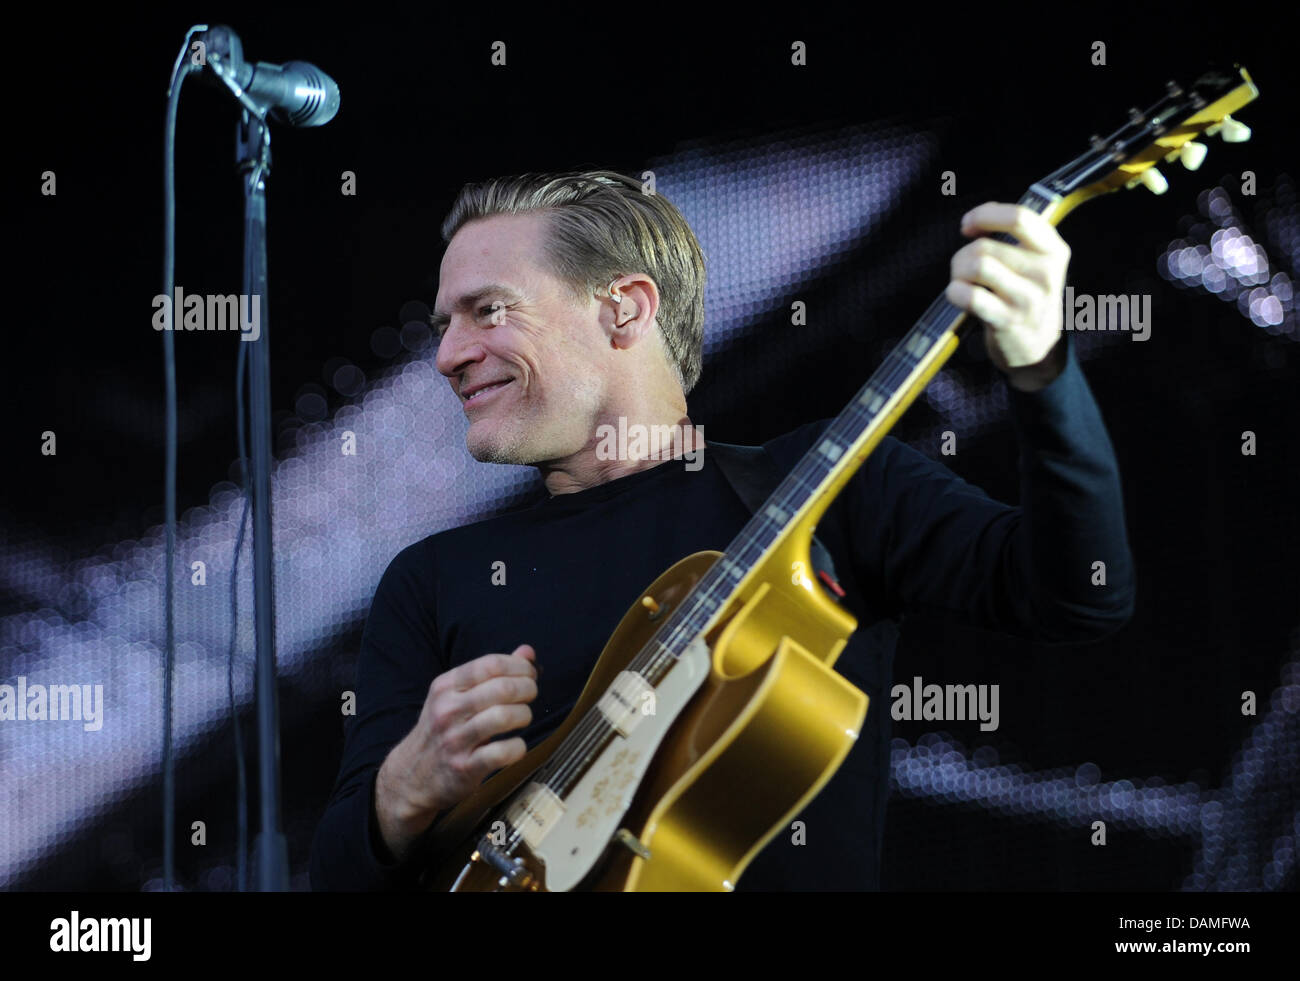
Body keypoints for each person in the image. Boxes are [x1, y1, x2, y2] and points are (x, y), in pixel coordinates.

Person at [309, 170, 1134, 891]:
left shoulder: (822, 483)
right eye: (445, 322)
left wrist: (1042, 368)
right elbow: (340, 875)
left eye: (487, 311)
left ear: (624, 309)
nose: (449, 353)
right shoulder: (433, 578)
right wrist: (402, 791)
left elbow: (1080, 595)